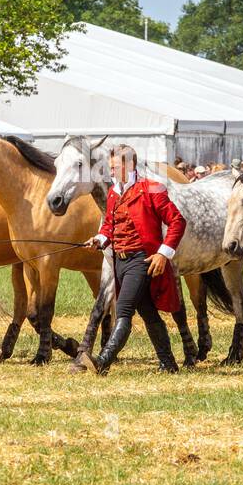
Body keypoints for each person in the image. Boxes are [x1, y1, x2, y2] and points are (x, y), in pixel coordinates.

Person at [80, 144, 186, 374]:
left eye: (115, 167)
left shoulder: (152, 189)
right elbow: (109, 225)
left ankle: (102, 361)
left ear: (129, 165)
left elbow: (178, 221)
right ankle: (168, 364)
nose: (111, 171)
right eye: (110, 167)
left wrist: (163, 253)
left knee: (124, 310)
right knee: (147, 311)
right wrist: (99, 239)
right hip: (120, 261)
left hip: (142, 259)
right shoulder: (113, 193)